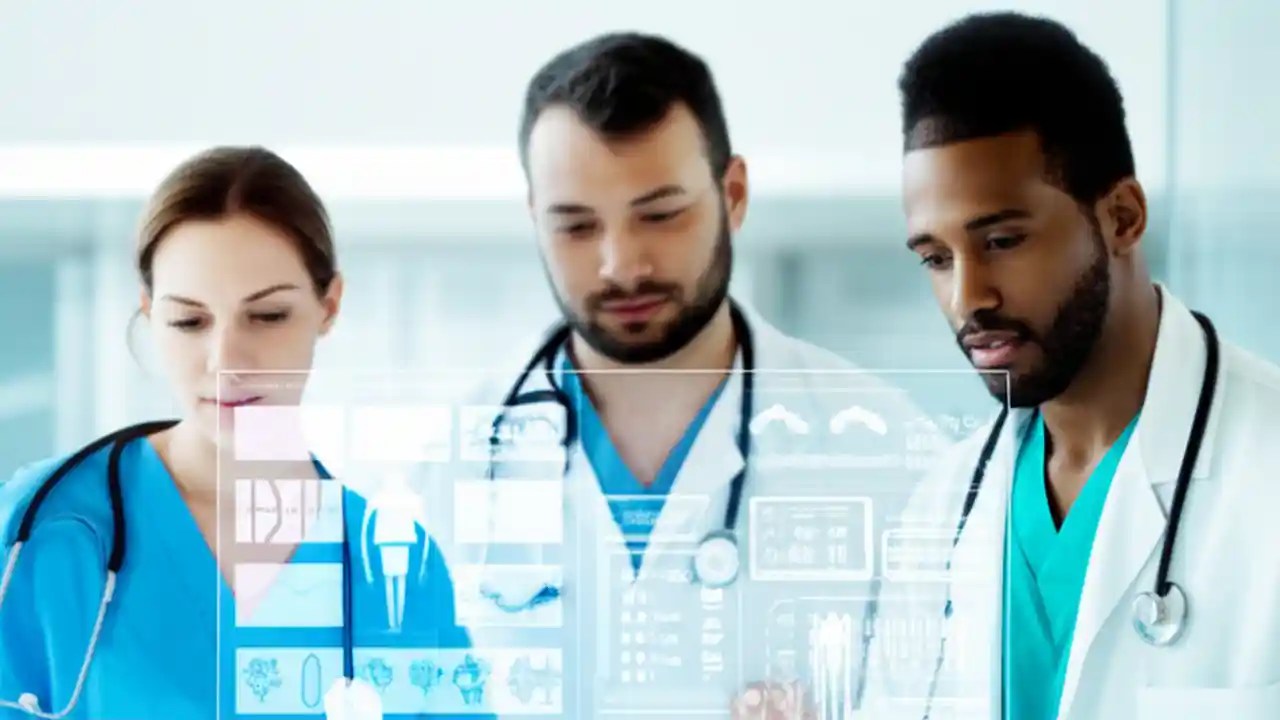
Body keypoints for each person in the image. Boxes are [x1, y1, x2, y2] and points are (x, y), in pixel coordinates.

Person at [444, 32, 943, 720]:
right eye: (576, 226)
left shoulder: (892, 456)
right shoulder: (439, 465)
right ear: (535, 218)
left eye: (660, 215)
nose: (622, 264)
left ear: (732, 194)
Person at [861, 12, 1280, 720]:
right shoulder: (942, 509)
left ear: (1121, 217)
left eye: (1001, 239)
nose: (968, 297)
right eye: (936, 258)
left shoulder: (1264, 474)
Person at [0, 147, 475, 719]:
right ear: (149, 314)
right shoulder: (50, 524)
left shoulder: (396, 566)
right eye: (189, 321)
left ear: (329, 306)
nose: (226, 359)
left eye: (267, 316)